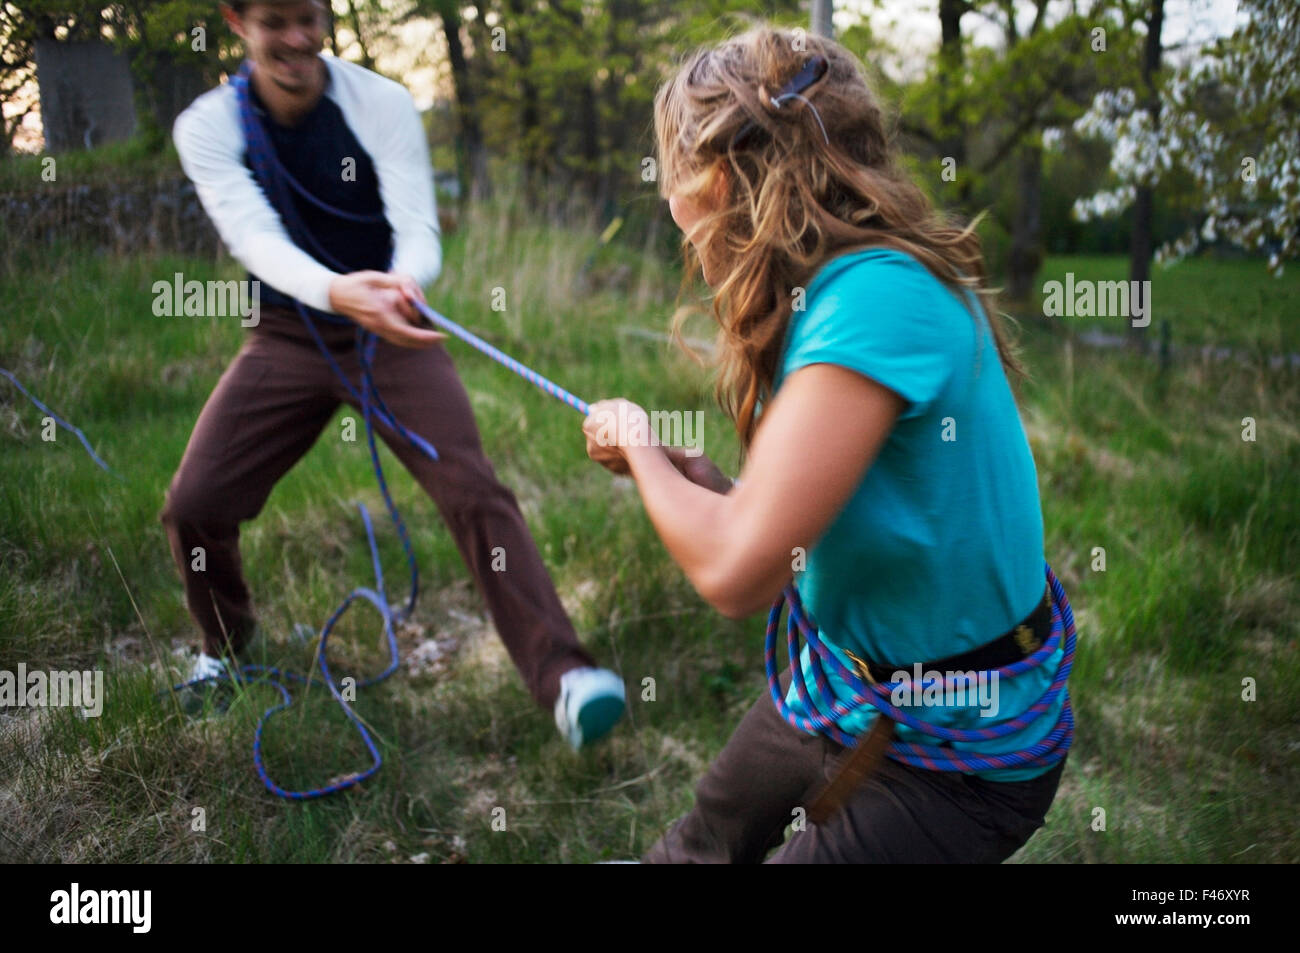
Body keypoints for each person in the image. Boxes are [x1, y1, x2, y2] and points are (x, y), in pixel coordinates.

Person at [581, 26, 1072, 861]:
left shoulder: (876, 300)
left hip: (958, 751)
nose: (670, 205)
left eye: (673, 173)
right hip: (843, 680)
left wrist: (640, 445)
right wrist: (694, 478)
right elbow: (804, 532)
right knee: (698, 846)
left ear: (723, 174)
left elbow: (738, 573)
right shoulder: (835, 289)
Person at [163, 0, 625, 749]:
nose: (294, 39)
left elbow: (417, 228)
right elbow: (253, 236)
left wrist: (401, 282)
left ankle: (567, 679)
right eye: (273, 21)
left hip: (395, 327)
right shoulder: (207, 127)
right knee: (195, 502)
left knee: (474, 490)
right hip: (288, 332)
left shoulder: (380, 103)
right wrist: (340, 292)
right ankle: (228, 651)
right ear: (236, 21)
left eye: (307, 17)